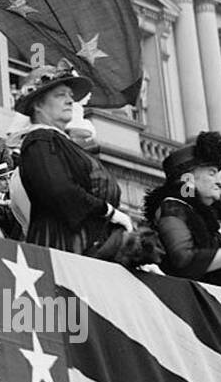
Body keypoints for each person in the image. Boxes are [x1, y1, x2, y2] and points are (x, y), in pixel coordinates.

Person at [13, 61, 136, 258]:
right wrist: (109, 212)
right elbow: (58, 189)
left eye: (70, 96)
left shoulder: (59, 141)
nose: (70, 101)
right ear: (38, 104)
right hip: (63, 246)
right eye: (60, 95)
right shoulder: (40, 139)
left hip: (83, 244)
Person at [144, 131, 221, 288]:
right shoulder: (173, 208)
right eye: (212, 173)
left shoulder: (217, 221)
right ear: (188, 179)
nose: (220, 181)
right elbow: (184, 261)